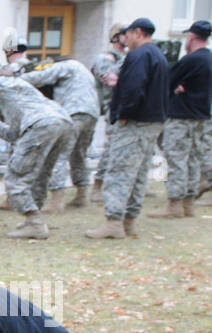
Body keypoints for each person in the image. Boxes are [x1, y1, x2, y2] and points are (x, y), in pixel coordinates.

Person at [86, 17, 169, 238]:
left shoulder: (138, 55)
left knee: (120, 171)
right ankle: (129, 221)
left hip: (135, 122)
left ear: (138, 33)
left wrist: (124, 114)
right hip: (153, 122)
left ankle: (114, 222)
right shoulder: (158, 55)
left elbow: (134, 88)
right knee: (139, 174)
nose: (126, 39)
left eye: (128, 34)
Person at [0, 63, 74, 239]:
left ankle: (34, 222)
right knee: (41, 175)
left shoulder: (8, 83)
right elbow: (12, 134)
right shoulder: (20, 96)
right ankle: (33, 220)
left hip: (42, 125)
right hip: (63, 124)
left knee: (15, 177)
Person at [23, 57, 100, 211]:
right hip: (91, 114)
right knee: (79, 155)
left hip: (73, 112)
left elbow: (41, 77)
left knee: (59, 155)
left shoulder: (65, 66)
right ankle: (82, 196)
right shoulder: (83, 70)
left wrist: (13, 80)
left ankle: (56, 201)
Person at [151, 19, 210, 217]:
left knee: (176, 158)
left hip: (181, 117)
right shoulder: (209, 59)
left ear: (191, 37)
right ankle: (188, 204)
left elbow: (167, 81)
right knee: (193, 159)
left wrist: (175, 89)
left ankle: (174, 205)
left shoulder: (190, 60)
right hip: (201, 117)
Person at [90, 23, 129, 201]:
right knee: (112, 146)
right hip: (111, 107)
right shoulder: (106, 58)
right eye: (124, 34)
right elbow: (108, 79)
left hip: (127, 106)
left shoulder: (128, 57)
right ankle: (98, 184)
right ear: (116, 37)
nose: (128, 37)